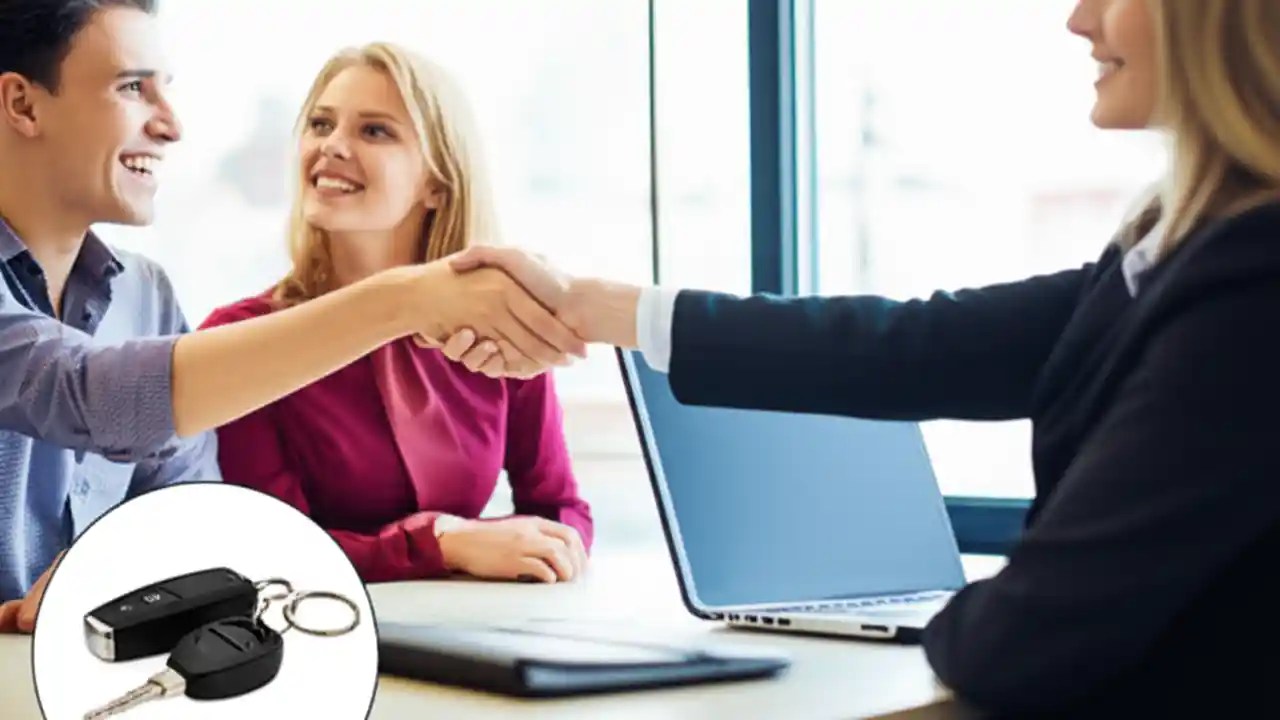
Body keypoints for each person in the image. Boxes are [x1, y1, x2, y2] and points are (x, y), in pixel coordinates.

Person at [439, 0, 1280, 714]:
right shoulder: (1171, 250)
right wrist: (601, 310)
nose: (1078, 19)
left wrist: (954, 614)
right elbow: (913, 346)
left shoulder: (1253, 284)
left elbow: (1024, 640)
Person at [0, 0, 582, 629]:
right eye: (133, 88)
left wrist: (124, 569)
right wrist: (407, 299)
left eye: (375, 130)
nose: (172, 125)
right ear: (23, 105)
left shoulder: (148, 297)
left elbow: (197, 517)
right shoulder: (238, 341)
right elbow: (84, 392)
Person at [200, 43, 592, 585]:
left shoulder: (500, 332)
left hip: (467, 634)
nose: (332, 146)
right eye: (320, 124)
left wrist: (539, 549)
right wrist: (444, 544)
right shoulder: (241, 339)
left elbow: (561, 508)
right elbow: (269, 547)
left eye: (374, 130)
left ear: (436, 183)